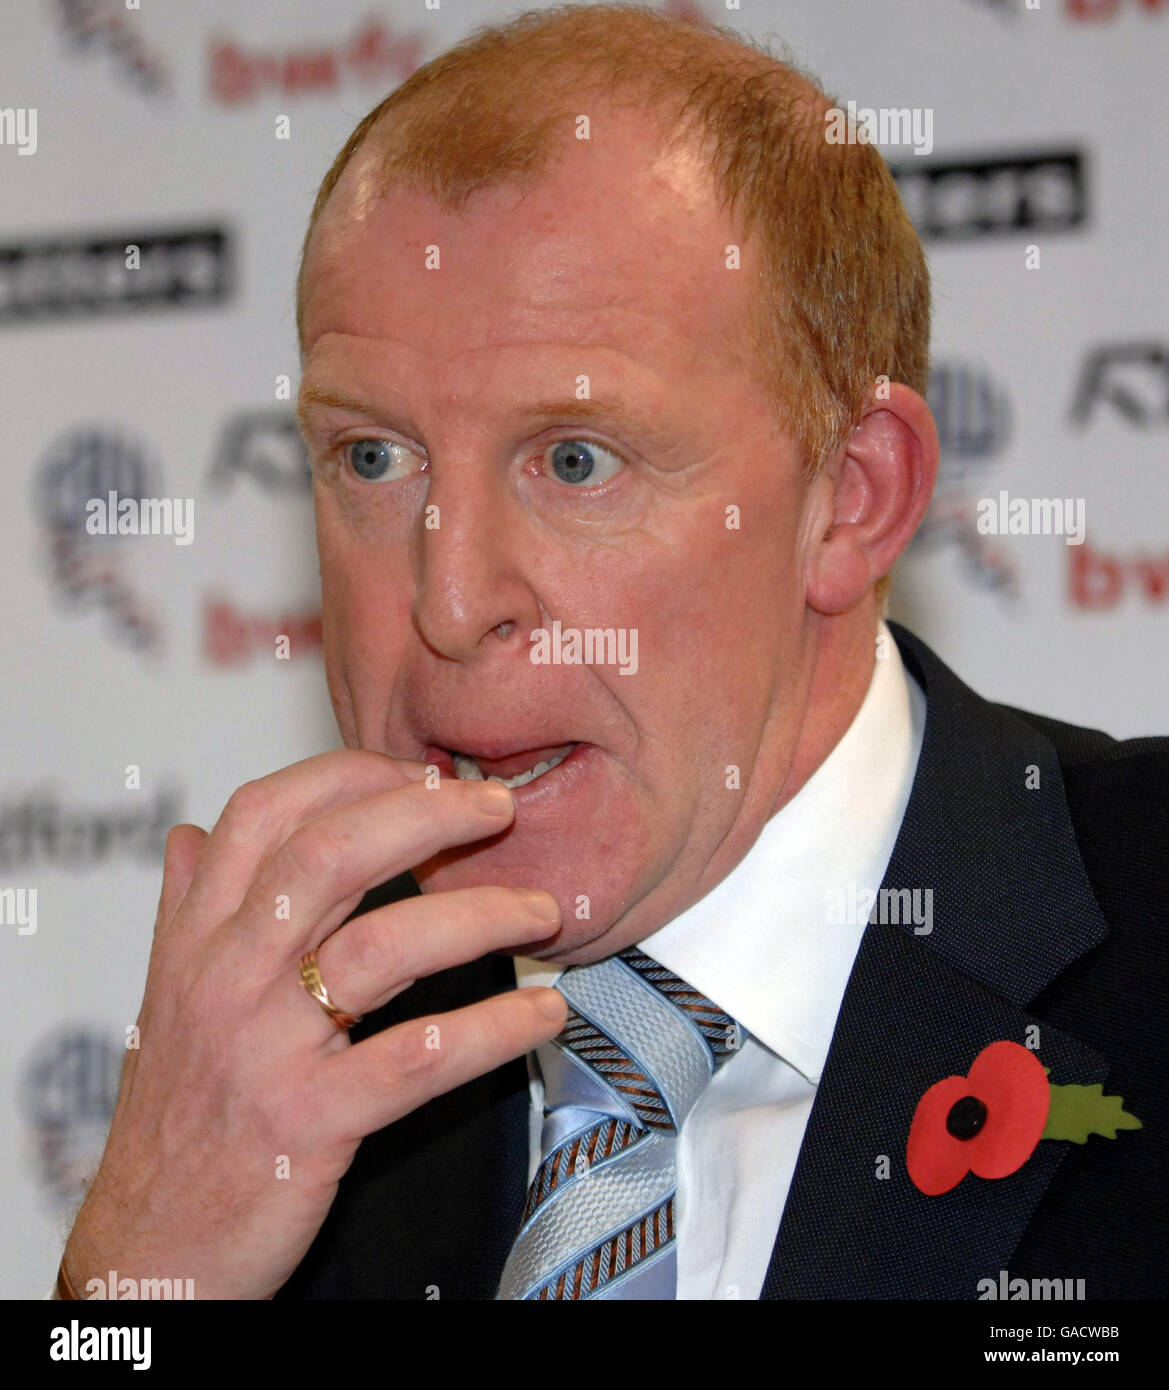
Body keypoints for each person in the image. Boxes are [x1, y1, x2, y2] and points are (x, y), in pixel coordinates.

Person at [56, 3, 1166, 1301]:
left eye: (574, 461)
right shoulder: (292, 1062)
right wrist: (132, 1281)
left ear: (850, 498)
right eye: (371, 457)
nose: (449, 597)